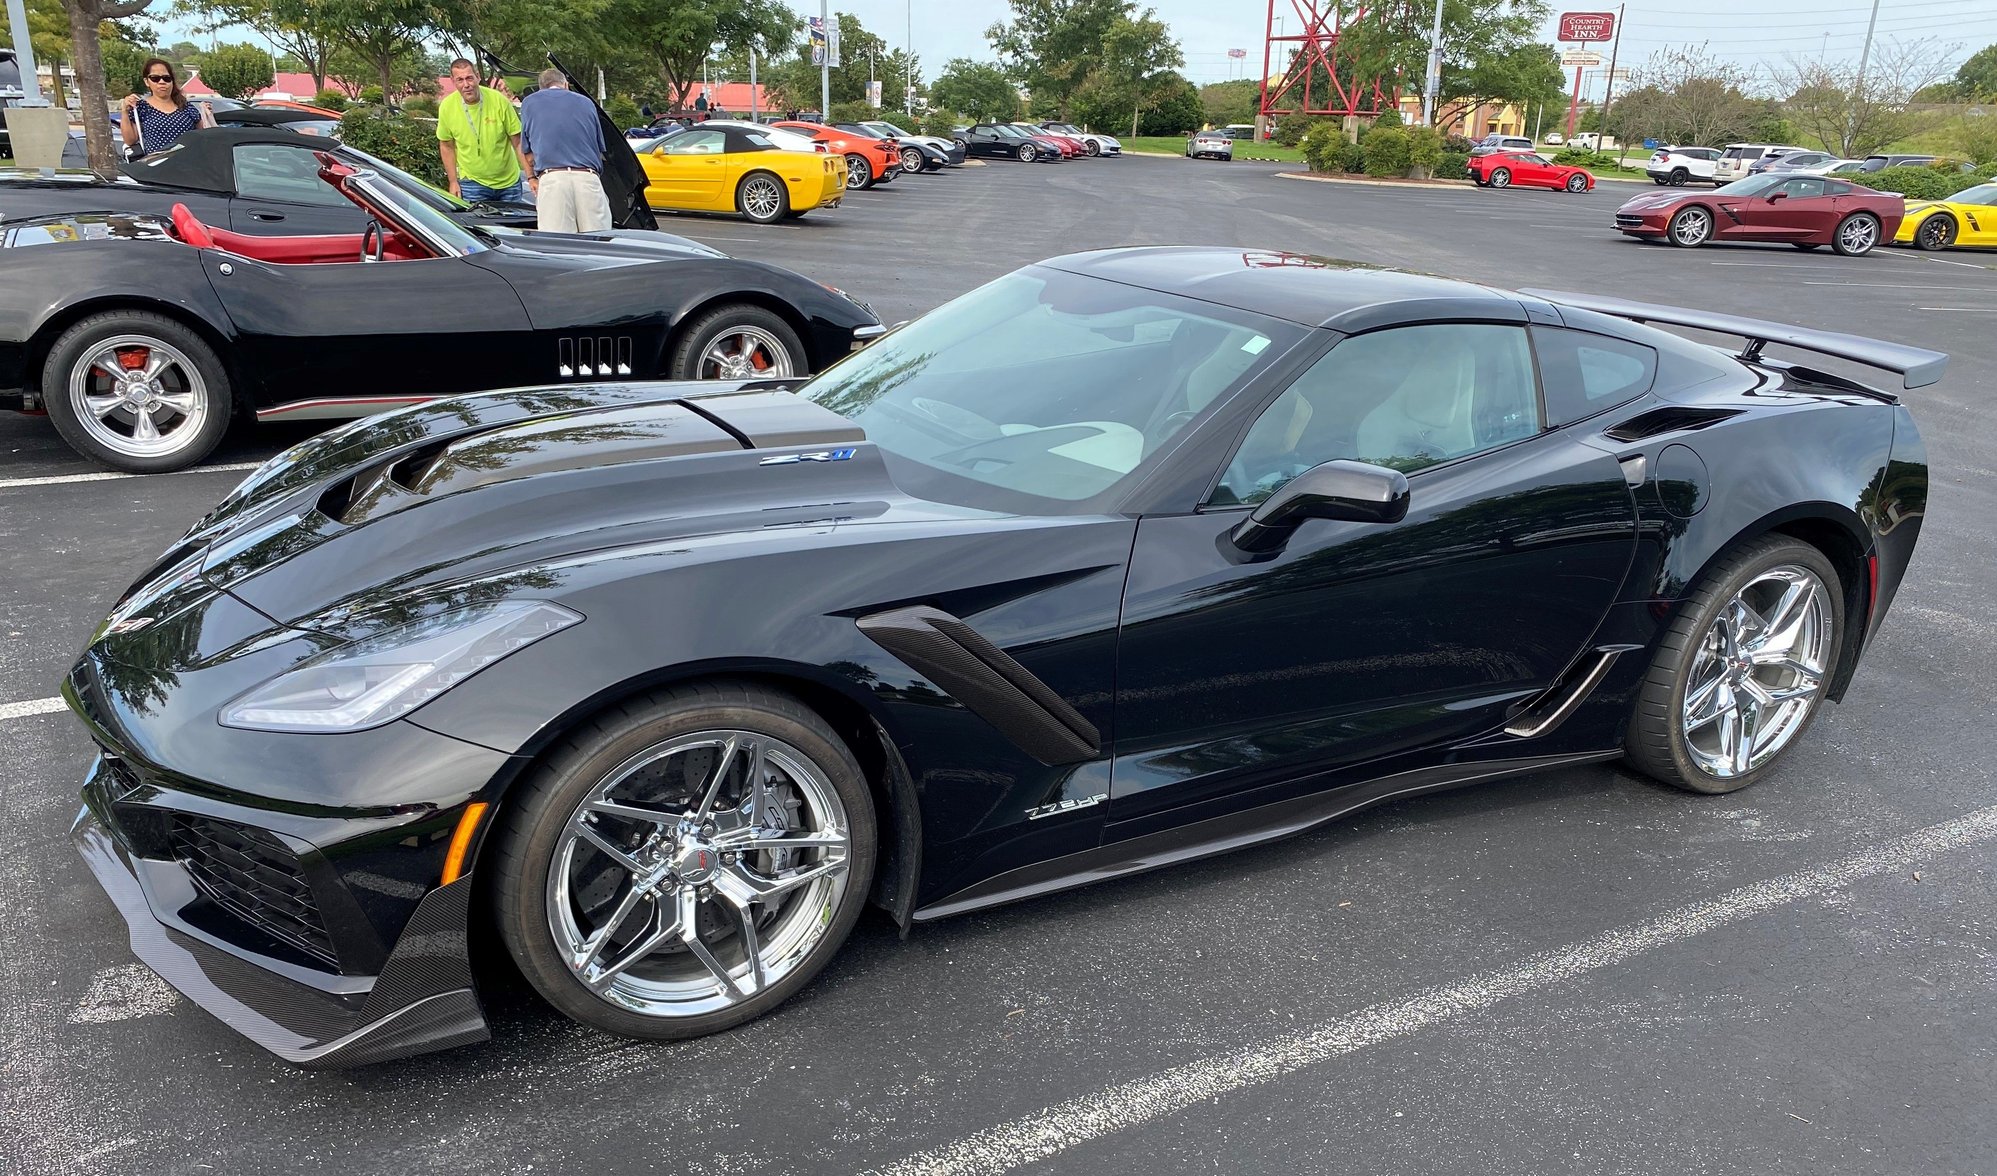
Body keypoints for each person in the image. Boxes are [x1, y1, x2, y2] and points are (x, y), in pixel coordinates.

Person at [519, 68, 610, 234]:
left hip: (553, 180)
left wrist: (531, 177)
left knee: (558, 245)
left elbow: (528, 154)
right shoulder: (587, 103)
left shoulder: (529, 103)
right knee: (599, 243)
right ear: (566, 85)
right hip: (587, 178)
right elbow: (599, 148)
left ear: (541, 88)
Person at [436, 58, 531, 204]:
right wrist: (453, 181)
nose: (466, 85)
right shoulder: (447, 107)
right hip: (472, 184)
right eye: (460, 80)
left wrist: (531, 177)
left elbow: (518, 143)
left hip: (508, 184)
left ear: (478, 76)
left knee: (513, 227)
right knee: (478, 227)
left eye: (469, 78)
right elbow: (446, 146)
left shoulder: (499, 101)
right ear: (453, 81)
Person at [119, 58, 214, 158]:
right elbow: (130, 140)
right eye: (155, 78)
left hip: (189, 164)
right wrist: (124, 111)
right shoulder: (141, 107)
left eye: (166, 78)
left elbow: (205, 135)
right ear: (147, 81)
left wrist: (208, 115)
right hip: (157, 167)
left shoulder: (186, 107)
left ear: (172, 81)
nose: (161, 82)